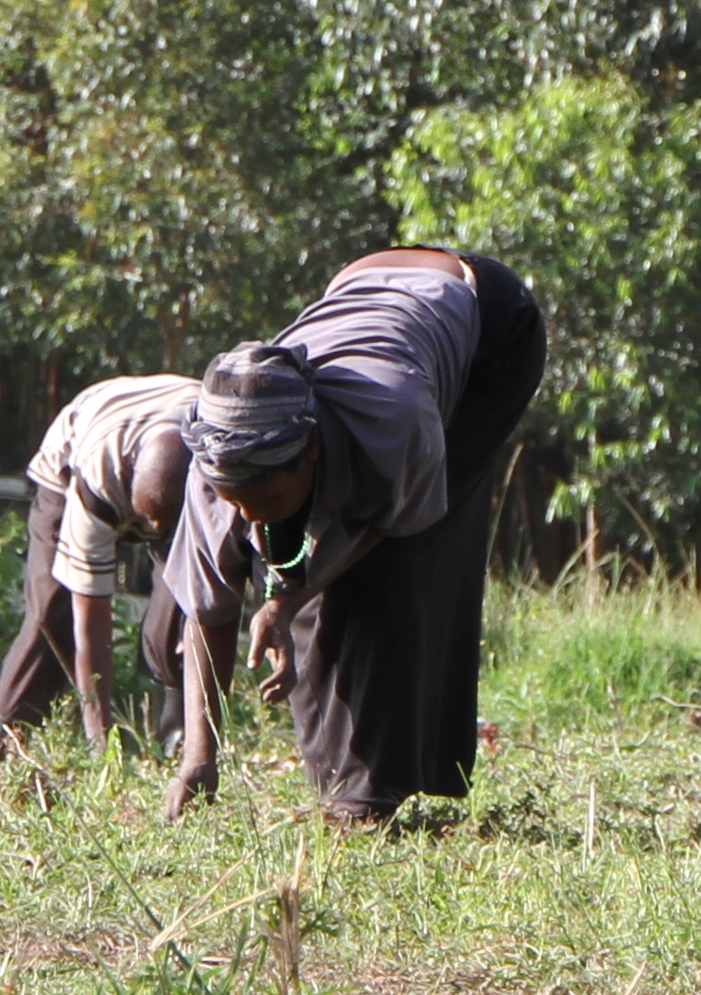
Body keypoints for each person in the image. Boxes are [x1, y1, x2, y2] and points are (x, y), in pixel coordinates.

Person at [157, 251, 545, 826]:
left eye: (269, 501)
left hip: (491, 324)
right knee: (308, 574)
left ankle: (369, 796)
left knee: (389, 574)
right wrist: (198, 756)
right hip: (362, 282)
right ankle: (341, 784)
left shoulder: (395, 420)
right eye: (238, 504)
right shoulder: (214, 468)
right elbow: (208, 611)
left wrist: (285, 601)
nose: (253, 520)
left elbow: (392, 521)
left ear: (312, 450)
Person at [0, 372, 203, 772]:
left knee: (181, 615)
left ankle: (176, 750)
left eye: (162, 526)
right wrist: (101, 740)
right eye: (146, 520)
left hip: (183, 474)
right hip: (76, 452)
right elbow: (91, 624)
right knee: (53, 616)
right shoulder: (97, 477)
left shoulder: (216, 462)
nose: (151, 532)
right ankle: (3, 758)